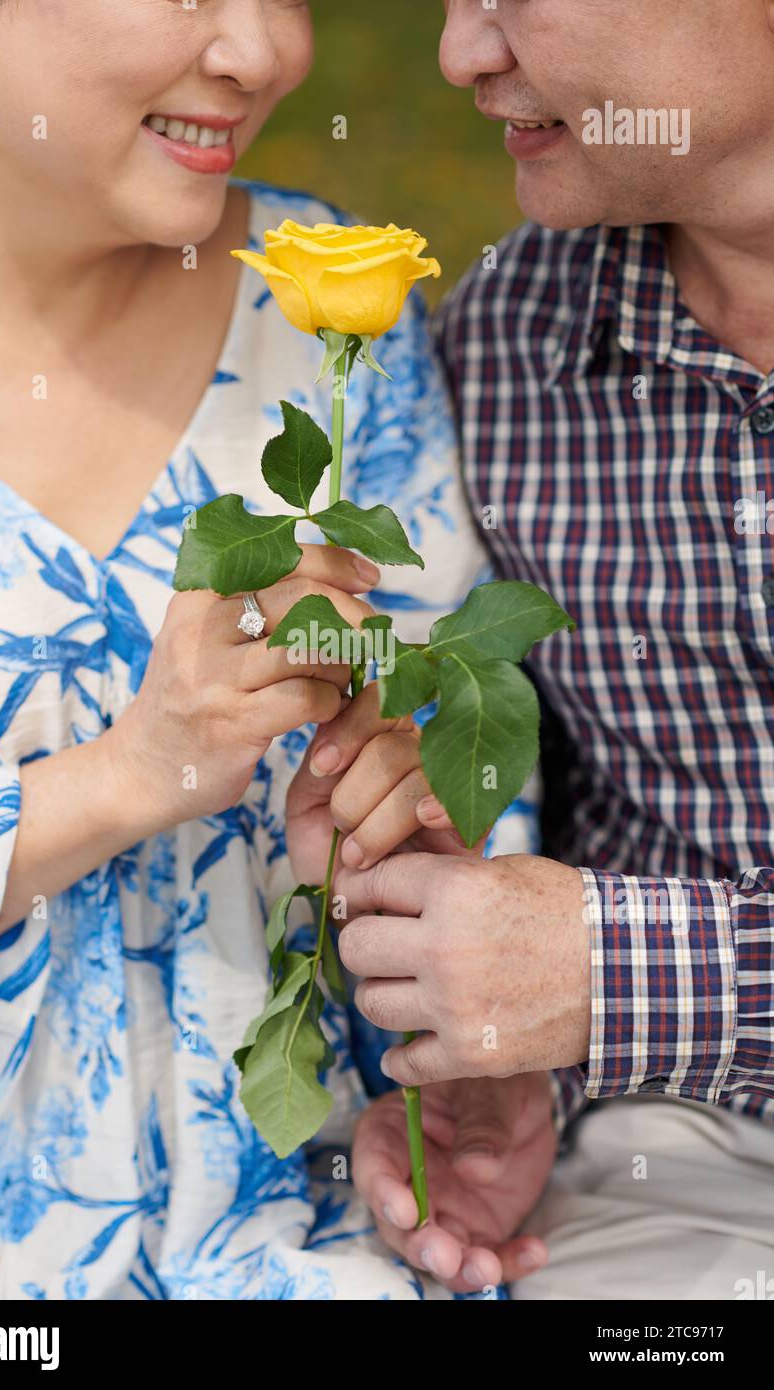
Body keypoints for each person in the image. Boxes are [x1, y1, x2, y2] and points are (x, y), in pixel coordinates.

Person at [0, 0, 535, 1300]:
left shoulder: (329, 317)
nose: (262, 53)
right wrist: (124, 780)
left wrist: (389, 899)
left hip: (300, 1250)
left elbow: (474, 843)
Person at [344, 0, 774, 1300]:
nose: (460, 55)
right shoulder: (507, 343)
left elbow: (611, 954)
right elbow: (593, 821)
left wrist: (616, 974)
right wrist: (520, 1069)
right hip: (692, 1151)